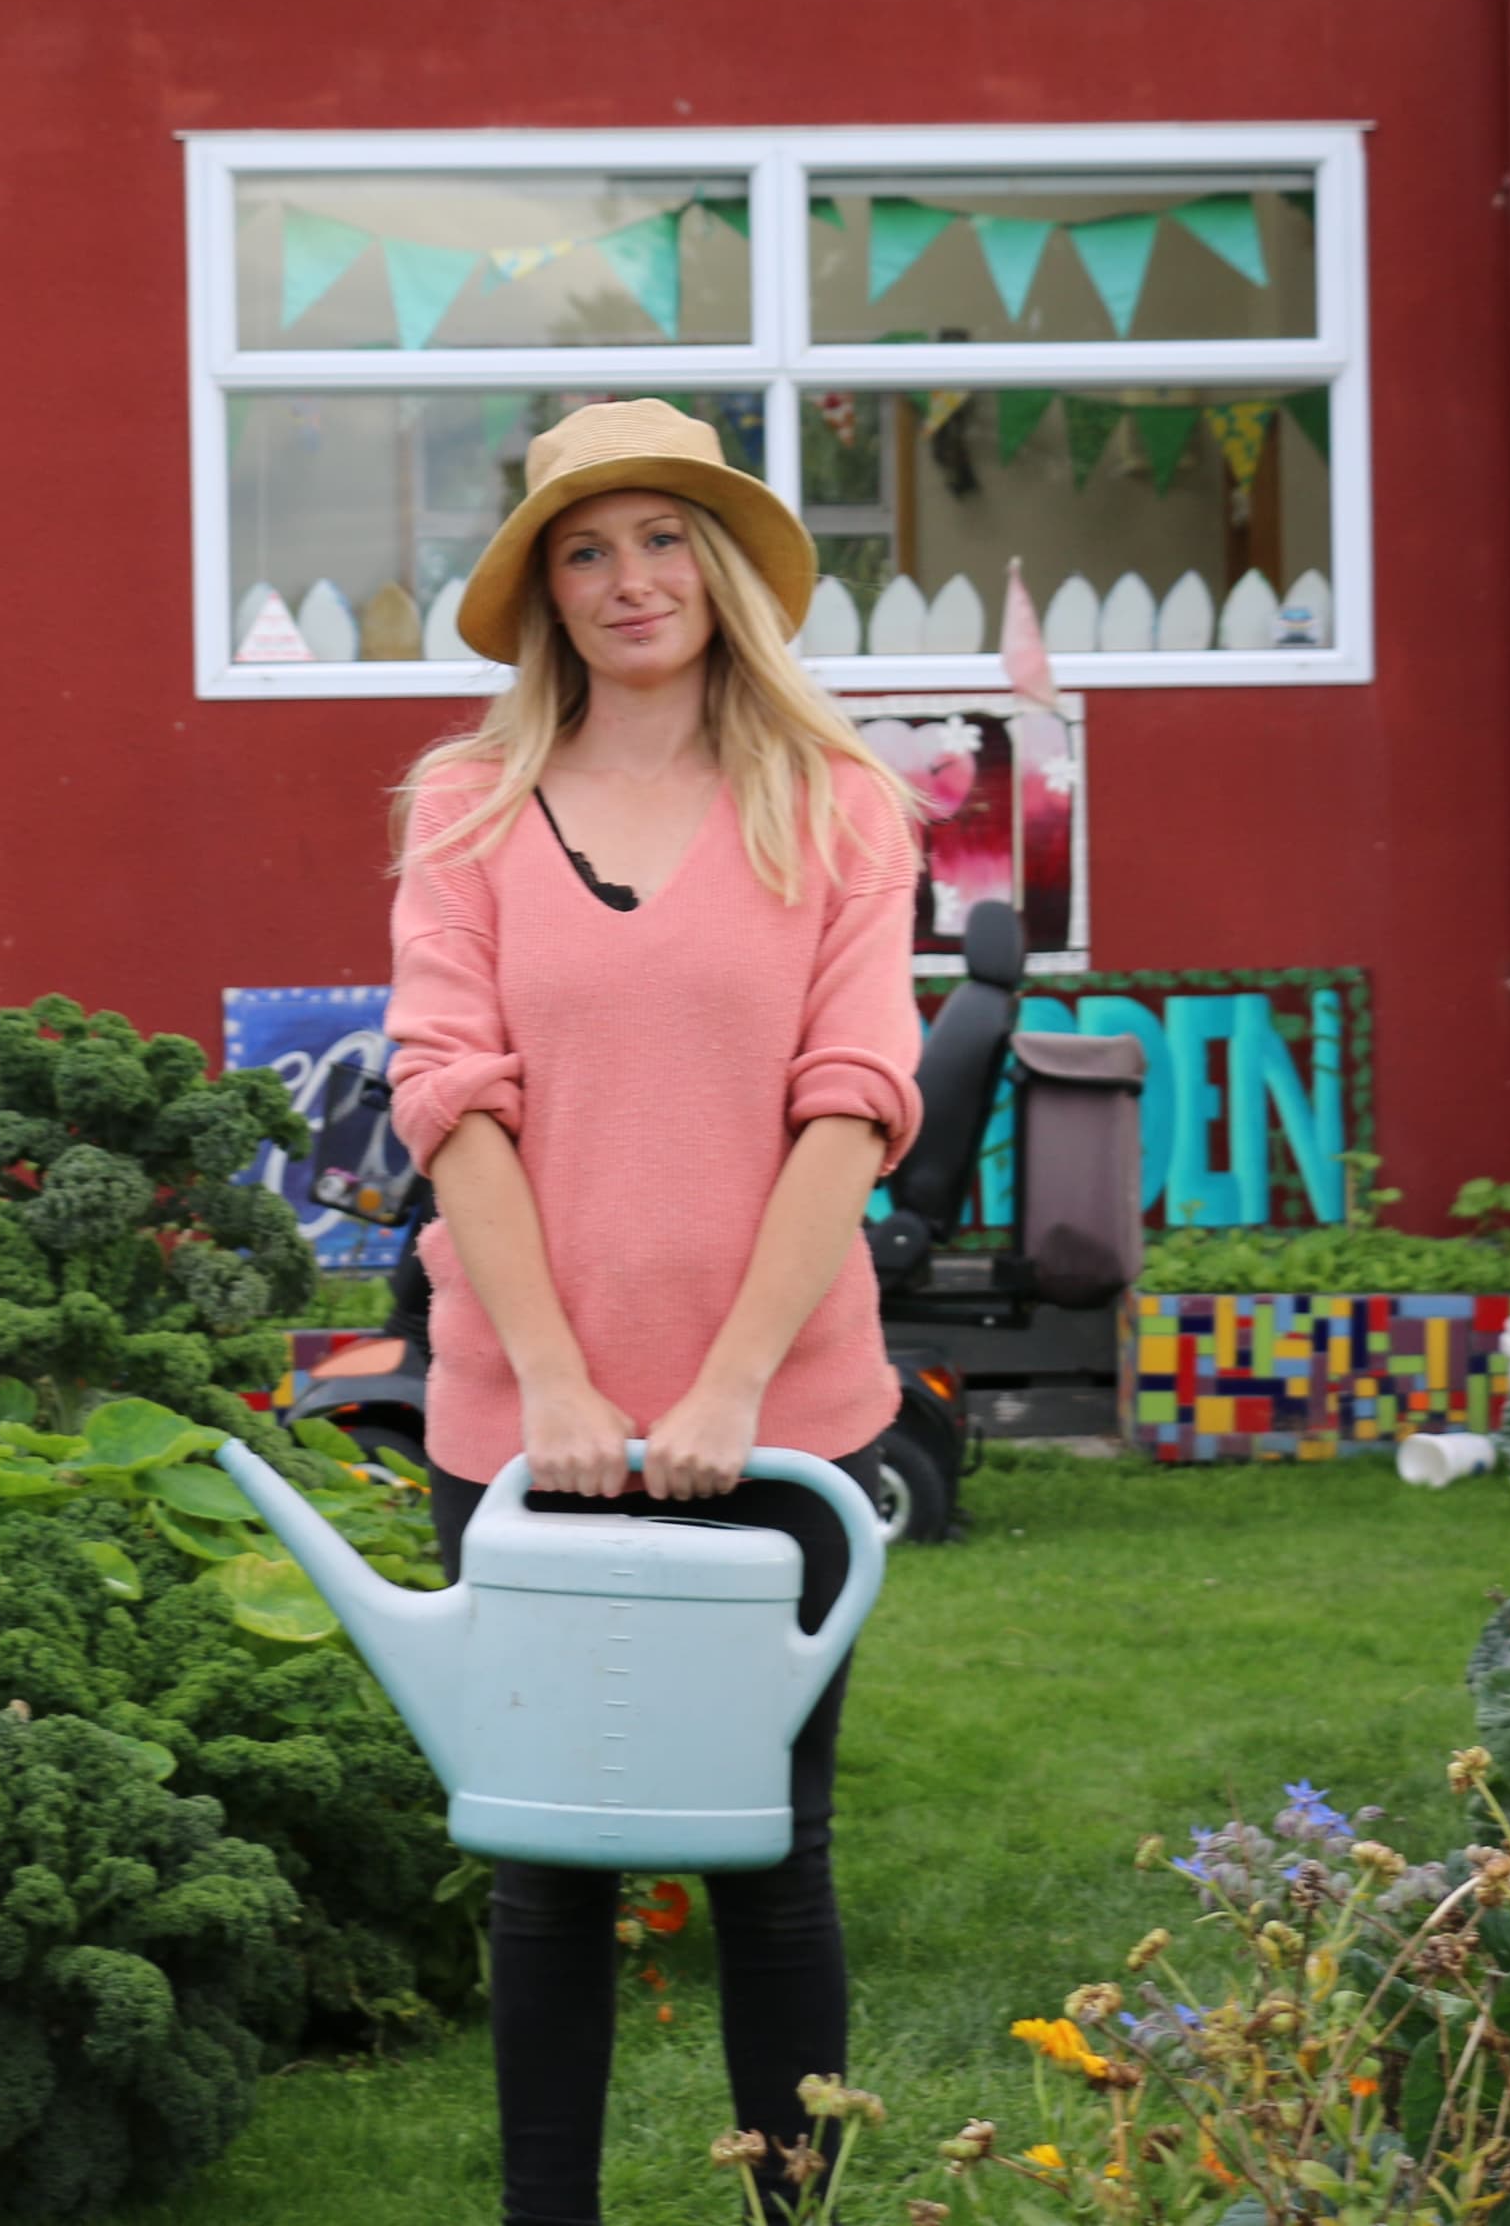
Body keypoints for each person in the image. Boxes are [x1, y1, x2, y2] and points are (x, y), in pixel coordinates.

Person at [384, 397, 923, 2226]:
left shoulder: (840, 807)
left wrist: (734, 1384)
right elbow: (451, 1090)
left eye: (665, 538)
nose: (631, 580)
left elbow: (852, 1097)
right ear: (543, 585)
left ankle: (798, 2216)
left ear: (726, 567)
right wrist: (549, 1375)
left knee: (772, 1859)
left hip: (778, 1422)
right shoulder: (467, 807)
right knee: (550, 1872)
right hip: (521, 1423)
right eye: (587, 547)